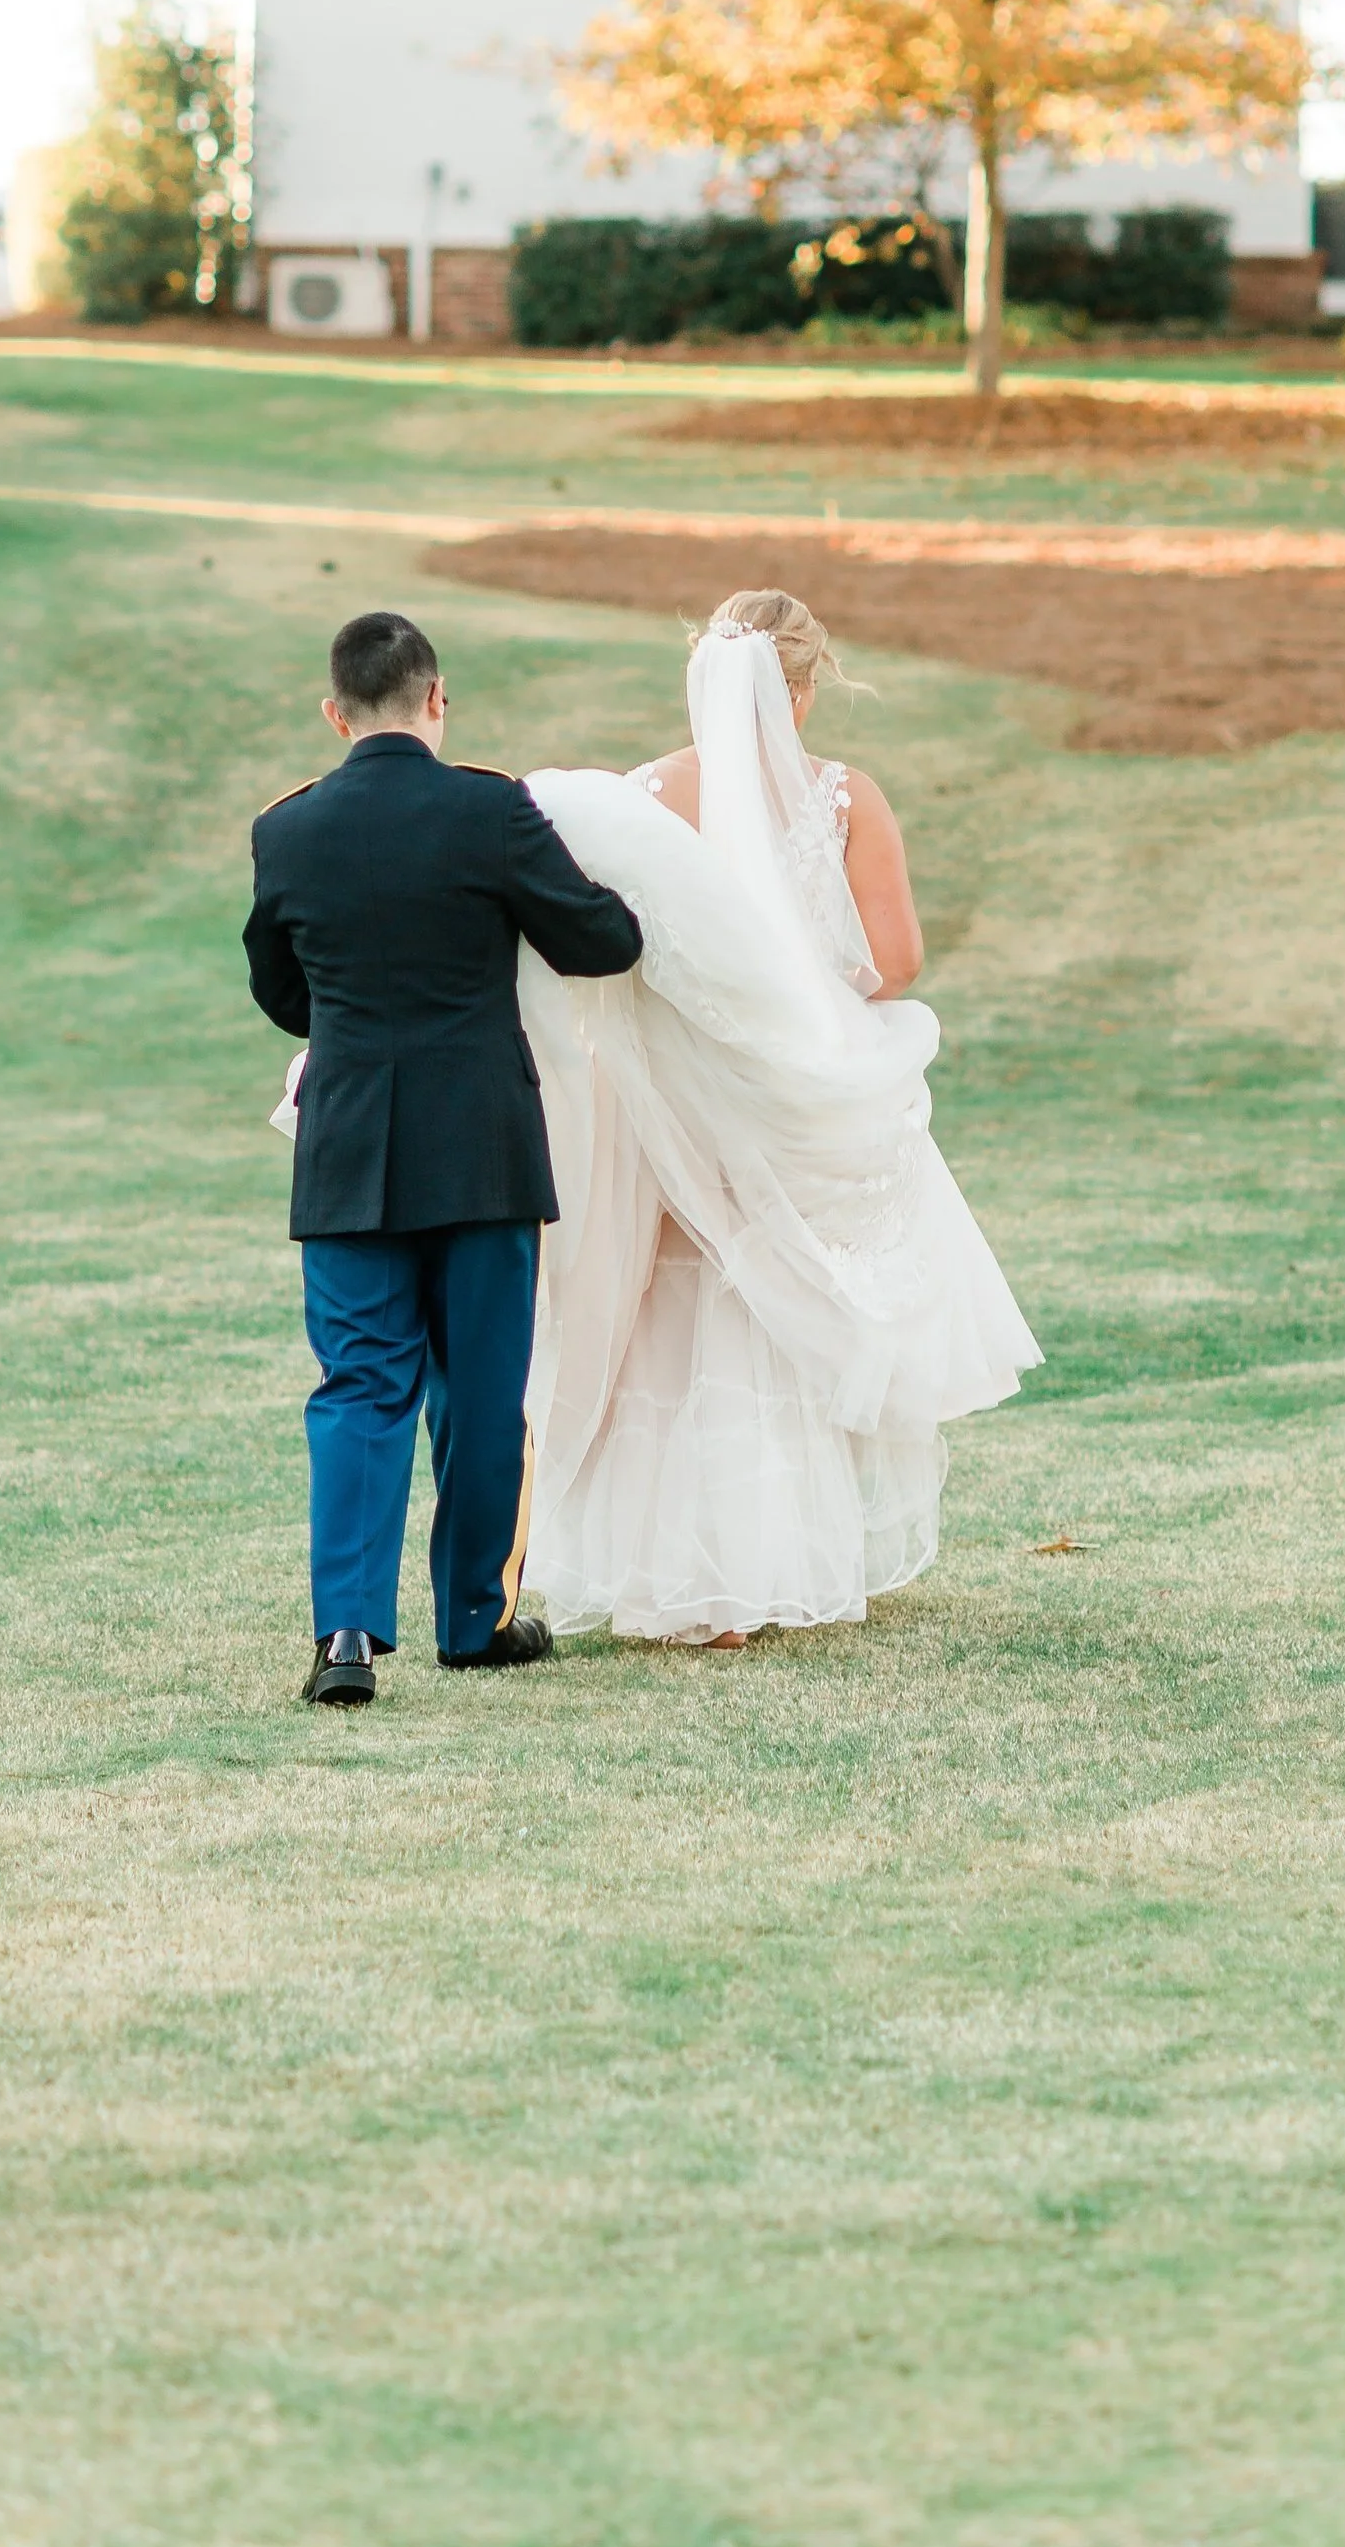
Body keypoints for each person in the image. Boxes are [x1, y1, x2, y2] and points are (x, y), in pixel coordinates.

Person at [516, 588, 1038, 1646]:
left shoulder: (642, 797)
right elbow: (893, 963)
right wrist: (793, 998)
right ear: (801, 690)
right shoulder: (844, 799)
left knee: (663, 1307)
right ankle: (763, 1566)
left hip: (665, 1094)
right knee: (768, 1307)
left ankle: (674, 1575)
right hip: (796, 1083)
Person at [245, 609, 644, 1708]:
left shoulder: (286, 830)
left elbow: (284, 997)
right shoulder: (488, 808)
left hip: (348, 1148)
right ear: (437, 701)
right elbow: (598, 941)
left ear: (334, 715)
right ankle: (477, 1620)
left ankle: (347, 1641)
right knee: (479, 1389)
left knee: (358, 1387)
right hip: (481, 1141)